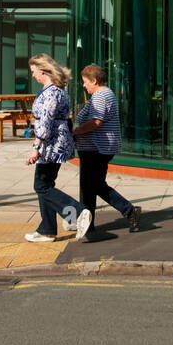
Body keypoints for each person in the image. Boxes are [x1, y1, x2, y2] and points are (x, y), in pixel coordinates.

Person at [25, 54, 91, 244]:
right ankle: (47, 229)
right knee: (45, 185)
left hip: (51, 144)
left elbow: (45, 123)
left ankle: (78, 213)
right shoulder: (58, 90)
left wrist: (35, 148)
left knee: (41, 185)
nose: (33, 76)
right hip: (57, 142)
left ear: (43, 70)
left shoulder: (51, 92)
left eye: (34, 72)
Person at [73, 63, 141, 235]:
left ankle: (129, 210)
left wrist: (75, 131)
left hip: (97, 149)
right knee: (89, 187)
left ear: (94, 81)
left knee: (95, 185)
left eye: (85, 81)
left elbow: (96, 122)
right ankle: (88, 223)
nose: (83, 85)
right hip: (93, 148)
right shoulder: (100, 95)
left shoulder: (101, 95)